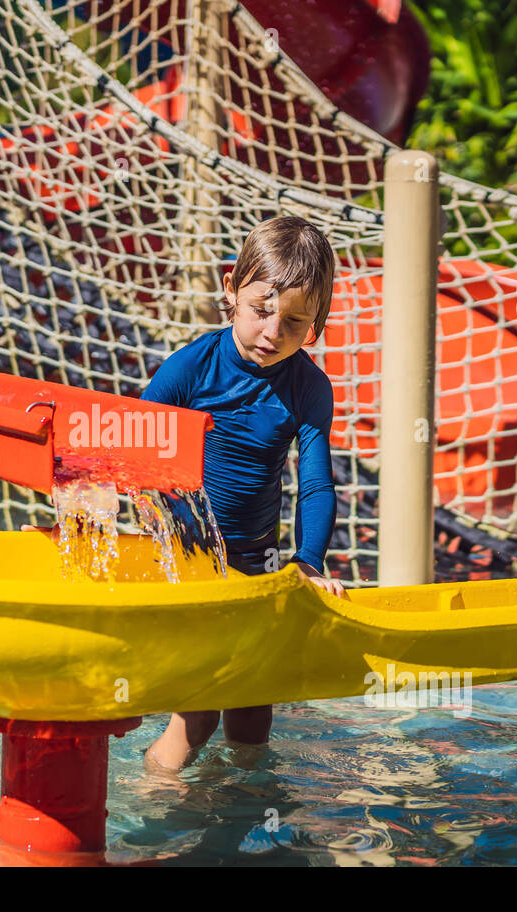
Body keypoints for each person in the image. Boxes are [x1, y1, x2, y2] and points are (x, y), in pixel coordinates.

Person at [140, 215, 344, 771]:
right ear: (230, 289)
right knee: (200, 711)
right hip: (190, 558)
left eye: (296, 322)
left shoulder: (308, 386)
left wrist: (307, 560)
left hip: (257, 559)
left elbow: (317, 482)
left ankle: (244, 821)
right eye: (261, 310)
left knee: (254, 709)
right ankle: (151, 806)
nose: (273, 332)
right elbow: (132, 447)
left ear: (316, 326)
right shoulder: (190, 368)